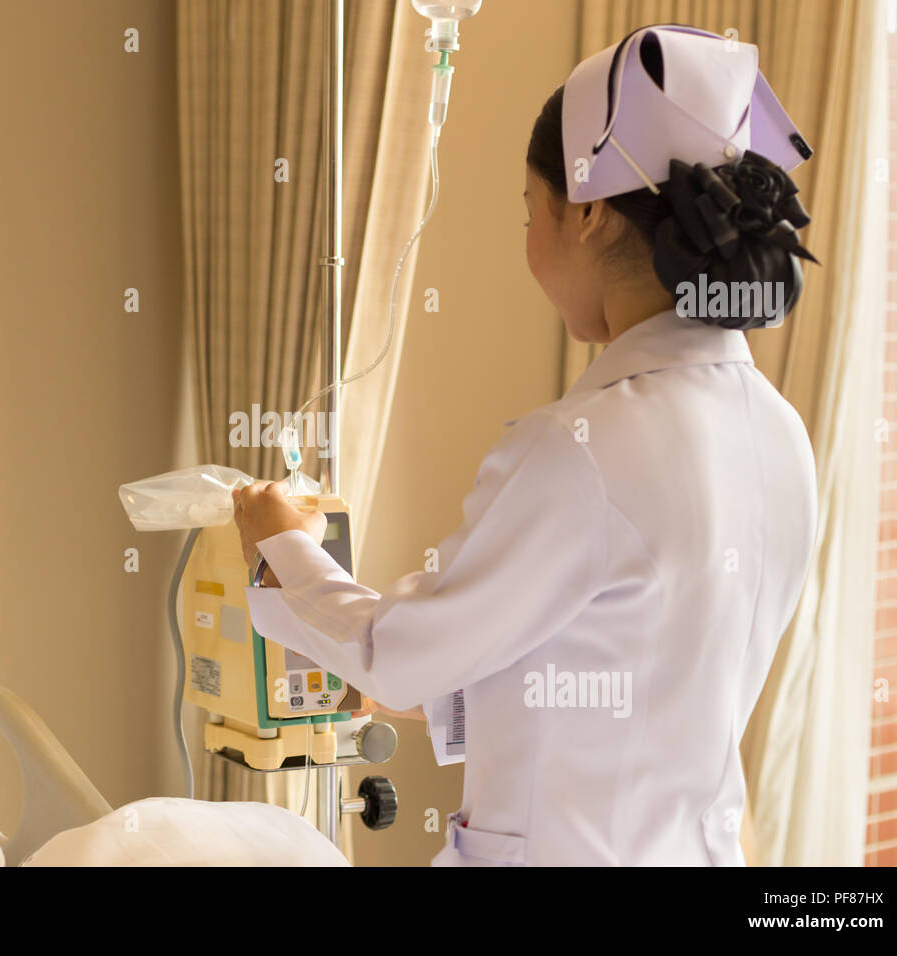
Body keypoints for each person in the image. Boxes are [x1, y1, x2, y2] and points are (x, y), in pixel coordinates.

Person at [231, 25, 819, 866]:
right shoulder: (780, 435)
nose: (529, 235)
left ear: (584, 212)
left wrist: (282, 542)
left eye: (528, 210)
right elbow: (615, 670)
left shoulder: (580, 449)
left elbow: (395, 657)